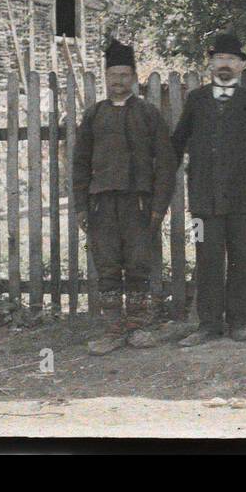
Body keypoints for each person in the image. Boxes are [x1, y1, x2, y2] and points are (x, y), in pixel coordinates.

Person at [75, 40, 177, 356]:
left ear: (134, 77)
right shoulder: (94, 116)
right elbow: (80, 163)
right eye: (113, 76)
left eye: (124, 75)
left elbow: (166, 163)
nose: (118, 81)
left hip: (138, 204)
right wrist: (81, 205)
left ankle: (138, 329)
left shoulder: (148, 114)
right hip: (101, 205)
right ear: (106, 78)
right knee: (106, 266)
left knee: (137, 265)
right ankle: (113, 331)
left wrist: (159, 207)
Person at [171, 31, 246, 346]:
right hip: (204, 202)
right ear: (211, 64)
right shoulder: (197, 100)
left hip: (244, 201)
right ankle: (208, 325)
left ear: (242, 66)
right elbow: (177, 143)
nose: (224, 64)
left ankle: (238, 323)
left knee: (242, 259)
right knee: (207, 259)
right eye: (218, 59)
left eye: (231, 59)